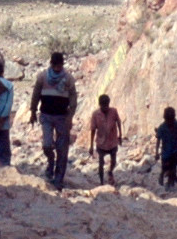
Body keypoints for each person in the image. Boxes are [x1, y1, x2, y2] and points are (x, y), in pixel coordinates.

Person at [30, 51, 78, 190]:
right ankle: (51, 162)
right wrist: (32, 111)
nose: (57, 68)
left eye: (59, 66)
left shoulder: (69, 79)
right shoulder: (42, 77)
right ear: (51, 64)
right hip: (46, 116)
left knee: (62, 150)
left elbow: (73, 101)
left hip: (62, 117)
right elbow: (35, 95)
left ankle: (58, 179)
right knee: (47, 144)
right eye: (55, 65)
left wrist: (70, 118)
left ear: (62, 65)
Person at [87, 94, 123, 187]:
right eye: (103, 106)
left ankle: (110, 171)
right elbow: (93, 129)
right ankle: (102, 182)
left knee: (114, 161)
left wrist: (120, 135)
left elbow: (118, 122)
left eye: (107, 105)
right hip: (101, 142)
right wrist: (91, 145)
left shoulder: (114, 111)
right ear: (100, 105)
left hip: (112, 140)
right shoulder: (95, 114)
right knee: (101, 162)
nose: (105, 108)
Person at [154, 107, 177, 189]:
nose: (169, 122)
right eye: (168, 120)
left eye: (171, 120)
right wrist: (156, 153)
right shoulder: (162, 127)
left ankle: (170, 182)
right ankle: (162, 175)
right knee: (165, 167)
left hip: (175, 151)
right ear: (165, 119)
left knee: (173, 167)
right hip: (166, 152)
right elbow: (158, 140)